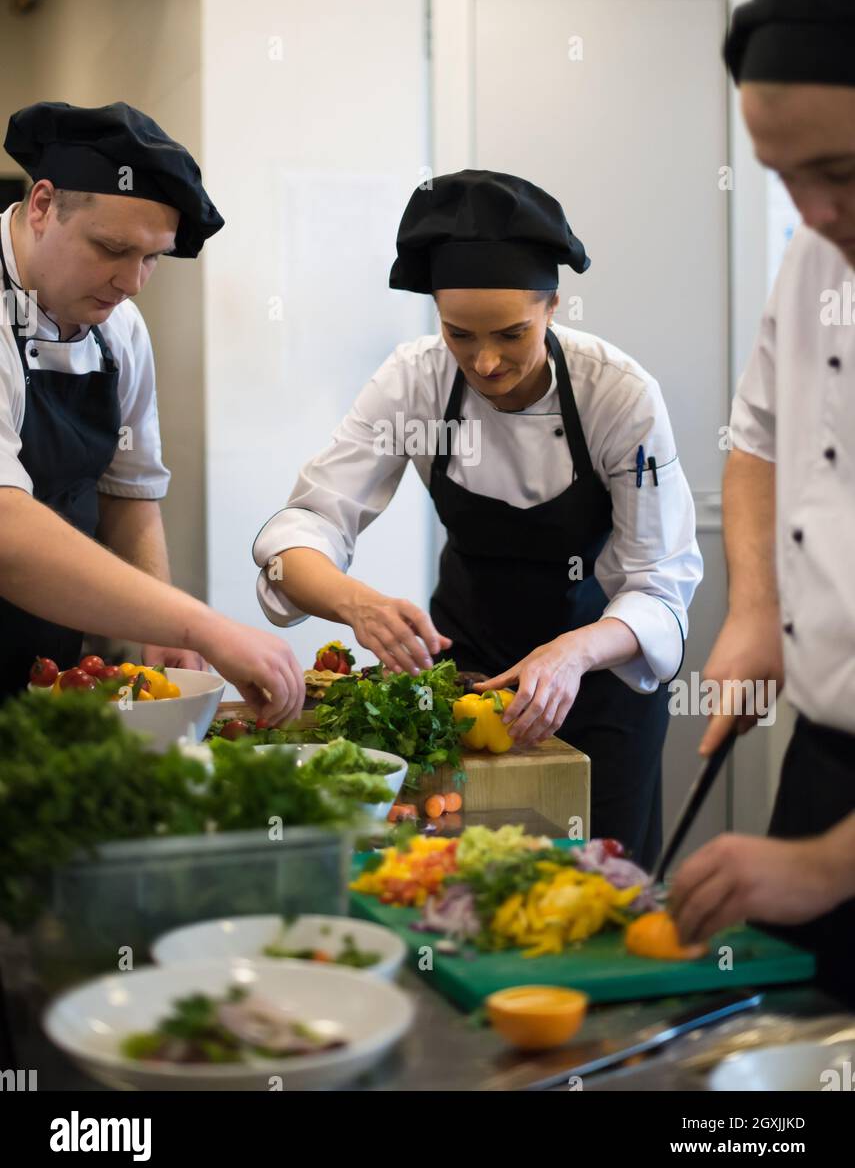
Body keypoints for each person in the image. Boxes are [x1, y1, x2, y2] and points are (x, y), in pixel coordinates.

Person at [253, 170, 702, 864]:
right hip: (465, 682)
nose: (485, 362)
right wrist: (356, 604)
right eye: (459, 334)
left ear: (552, 308)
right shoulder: (416, 380)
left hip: (601, 688)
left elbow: (658, 585)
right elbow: (303, 529)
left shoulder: (617, 395)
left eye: (512, 334)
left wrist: (571, 652)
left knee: (595, 884)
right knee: (452, 873)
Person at [670, 0, 855, 1004]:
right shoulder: (814, 254)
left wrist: (827, 867)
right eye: (790, 181)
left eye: (841, 173)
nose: (817, 215)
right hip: (826, 758)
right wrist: (755, 610)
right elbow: (762, 439)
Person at [0, 100, 304, 722]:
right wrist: (198, 625)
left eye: (152, 258)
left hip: (44, 665)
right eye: (112, 248)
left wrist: (157, 624)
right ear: (42, 207)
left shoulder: (120, 330)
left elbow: (129, 492)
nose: (133, 282)